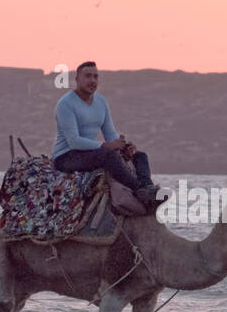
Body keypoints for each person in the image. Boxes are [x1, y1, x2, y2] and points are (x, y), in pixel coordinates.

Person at [52, 61, 159, 207]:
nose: (92, 80)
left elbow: (110, 134)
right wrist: (106, 146)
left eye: (96, 77)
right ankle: (139, 190)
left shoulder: (101, 102)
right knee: (108, 154)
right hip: (66, 156)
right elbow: (74, 141)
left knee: (140, 155)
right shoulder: (66, 104)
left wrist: (123, 146)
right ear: (77, 79)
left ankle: (148, 188)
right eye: (88, 76)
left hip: (90, 152)